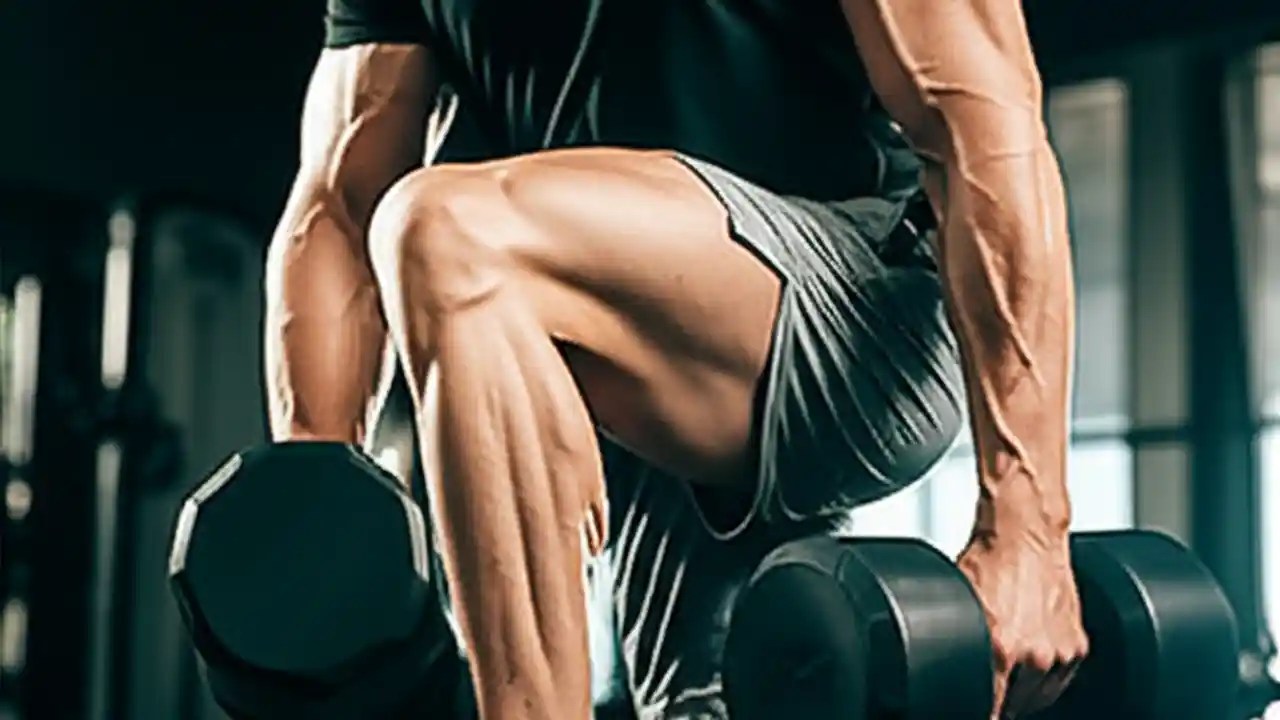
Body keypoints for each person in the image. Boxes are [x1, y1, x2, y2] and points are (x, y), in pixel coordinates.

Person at [262, 0, 1089, 717]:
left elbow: (986, 132)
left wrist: (1028, 529)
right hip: (621, 359)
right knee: (690, 705)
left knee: (442, 230)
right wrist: (316, 506)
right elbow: (337, 200)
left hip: (855, 317)